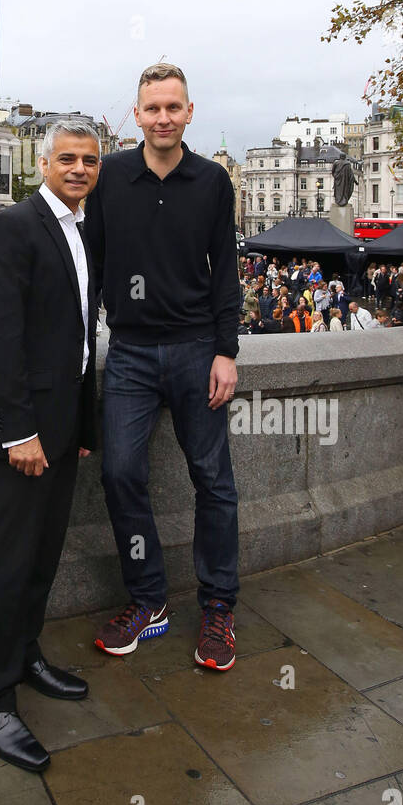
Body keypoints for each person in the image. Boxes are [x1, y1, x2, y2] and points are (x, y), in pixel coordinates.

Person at [84, 63, 240, 672]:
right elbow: (92, 265)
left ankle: (219, 605)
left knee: (213, 481)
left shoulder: (212, 181)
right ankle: (149, 600)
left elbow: (224, 270)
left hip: (197, 346)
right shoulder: (111, 176)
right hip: (129, 350)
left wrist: (226, 349)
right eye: (152, 109)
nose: (163, 118)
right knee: (120, 472)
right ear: (138, 113)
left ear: (189, 112)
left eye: (173, 108)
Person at [0, 119, 101, 772]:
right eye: (67, 158)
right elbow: (4, 338)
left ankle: (24, 655)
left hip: (64, 427)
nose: (79, 168)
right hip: (20, 431)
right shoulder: (13, 226)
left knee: (44, 555)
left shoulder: (81, 232)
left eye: (90, 160)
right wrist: (20, 430)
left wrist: (82, 429)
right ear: (42, 163)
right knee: (9, 562)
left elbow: (78, 344)